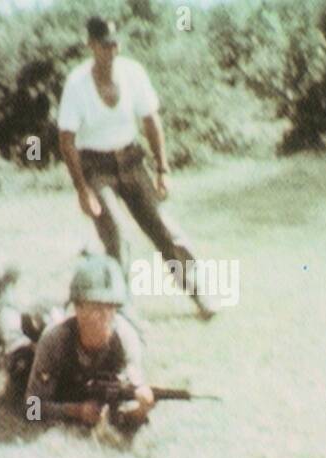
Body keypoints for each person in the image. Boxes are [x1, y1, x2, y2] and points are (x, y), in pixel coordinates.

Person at [57, 16, 216, 320]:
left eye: (116, 42)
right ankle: (122, 311)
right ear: (91, 45)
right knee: (115, 235)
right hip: (96, 168)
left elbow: (151, 121)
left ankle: (199, 293)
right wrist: (82, 190)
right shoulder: (77, 84)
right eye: (105, 44)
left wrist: (162, 169)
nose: (113, 49)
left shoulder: (134, 73)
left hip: (131, 161)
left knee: (165, 229)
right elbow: (66, 140)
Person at [0, 255, 155, 440]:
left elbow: (131, 397)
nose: (106, 316)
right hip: (47, 361)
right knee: (18, 359)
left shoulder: (125, 338)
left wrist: (142, 408)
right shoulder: (55, 340)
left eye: (111, 307)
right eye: (97, 307)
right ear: (78, 308)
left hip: (74, 373)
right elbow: (31, 408)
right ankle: (5, 297)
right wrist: (76, 411)